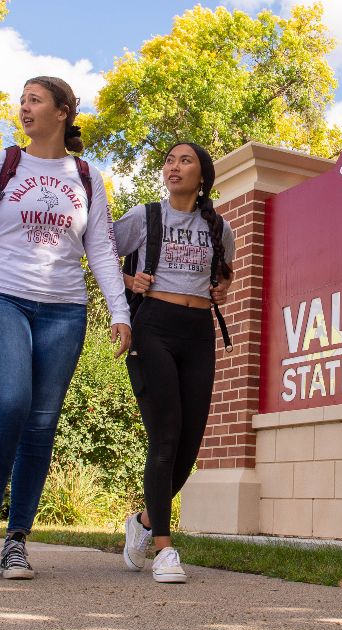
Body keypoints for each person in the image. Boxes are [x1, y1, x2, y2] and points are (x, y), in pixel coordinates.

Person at [0, 76, 132, 580]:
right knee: (10, 400)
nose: (24, 108)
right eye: (22, 100)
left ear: (62, 112)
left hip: (64, 309)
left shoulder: (87, 177)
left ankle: (17, 539)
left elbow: (101, 248)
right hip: (1, 296)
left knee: (41, 422)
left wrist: (119, 311)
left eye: (34, 100)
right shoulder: (1, 163)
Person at [115, 142, 234, 583]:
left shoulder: (219, 227)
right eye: (169, 160)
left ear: (203, 176)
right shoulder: (145, 217)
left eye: (185, 160)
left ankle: (144, 521)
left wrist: (222, 287)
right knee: (164, 436)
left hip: (199, 331)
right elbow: (97, 252)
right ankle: (164, 547)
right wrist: (129, 279)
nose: (174, 166)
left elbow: (225, 272)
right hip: (154, 327)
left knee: (188, 448)